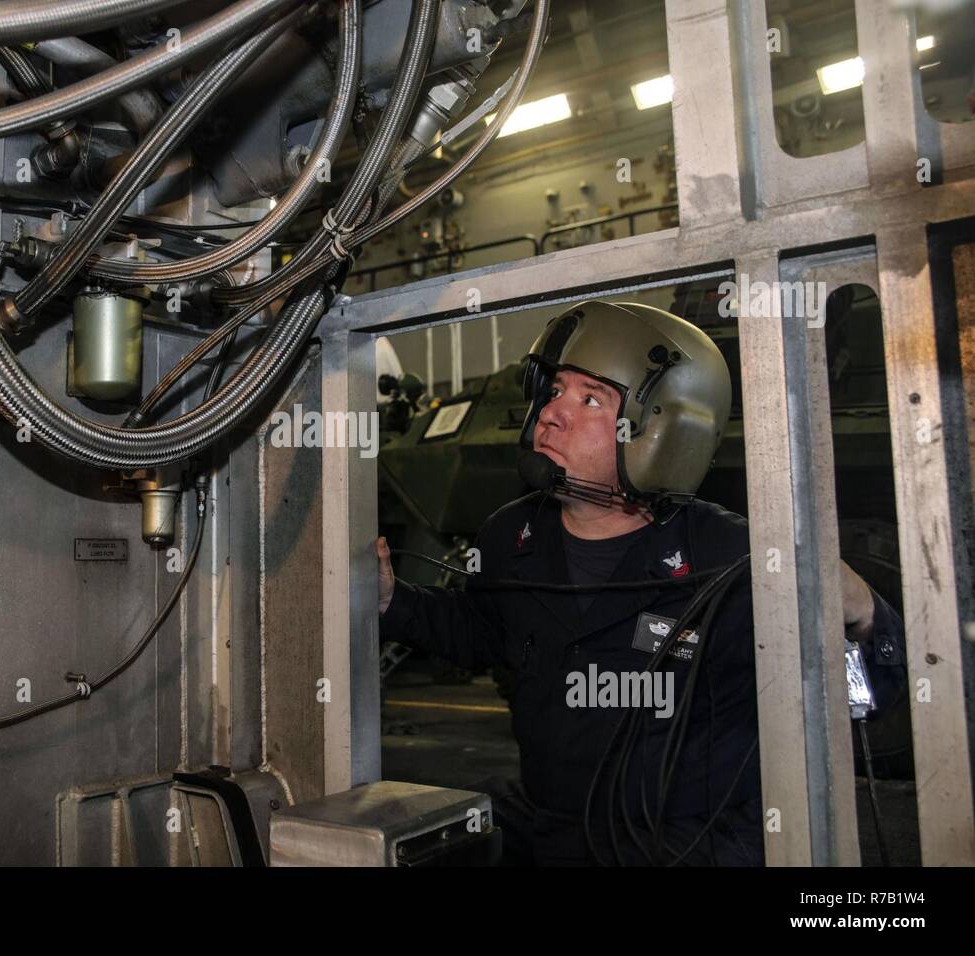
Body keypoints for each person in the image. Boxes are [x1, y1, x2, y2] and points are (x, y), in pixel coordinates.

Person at [376, 300, 907, 866]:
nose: (552, 414)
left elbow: (864, 701)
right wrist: (392, 599)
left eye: (590, 400)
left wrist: (867, 615)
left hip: (687, 843)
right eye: (554, 391)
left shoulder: (730, 555)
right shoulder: (511, 535)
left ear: (660, 427)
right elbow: (481, 631)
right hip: (551, 827)